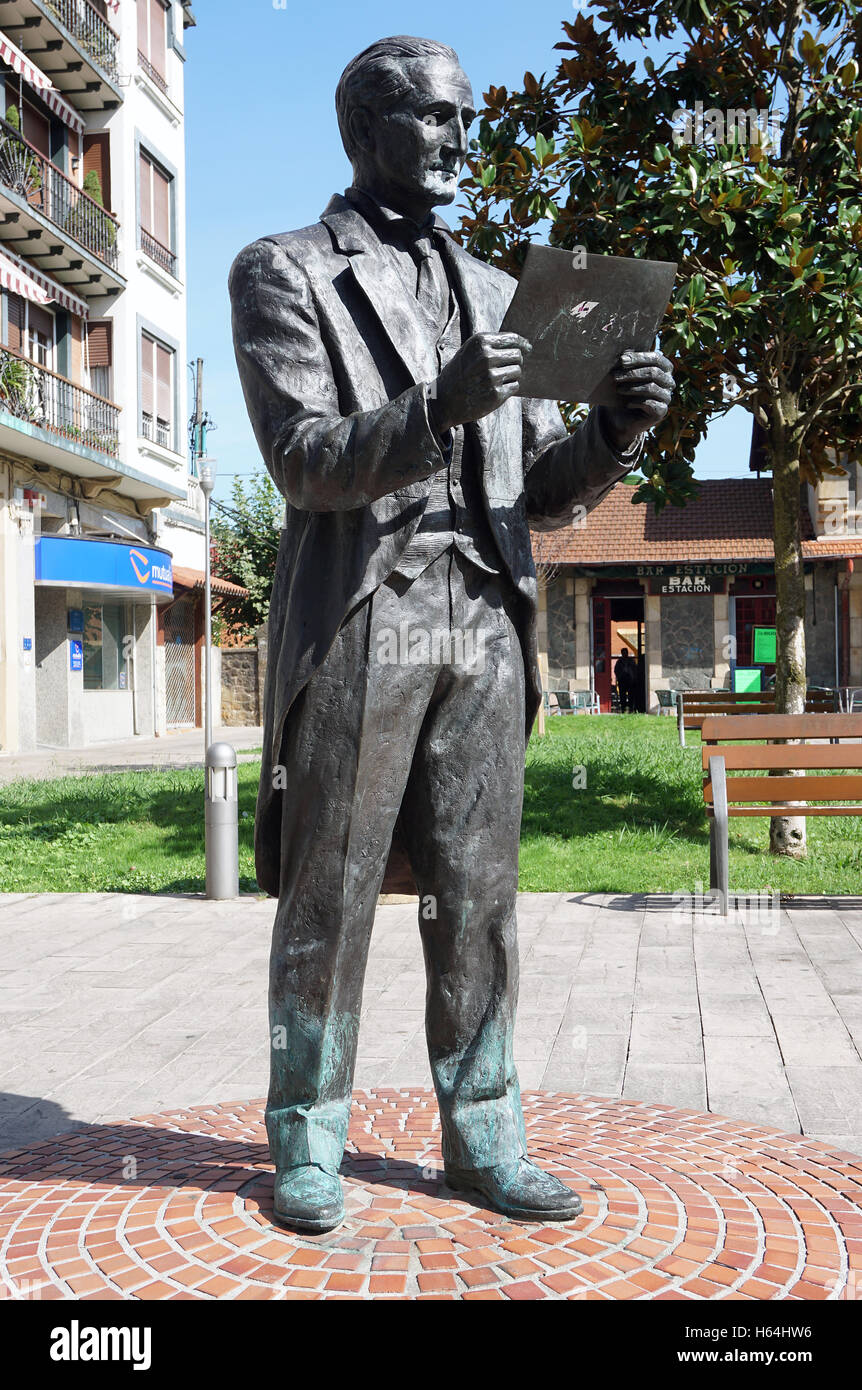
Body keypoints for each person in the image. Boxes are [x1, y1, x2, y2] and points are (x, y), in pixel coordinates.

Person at [229, 34, 674, 1233]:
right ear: (362, 129)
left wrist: (616, 435)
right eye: (431, 116)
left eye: (462, 116)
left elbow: (533, 488)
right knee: (327, 894)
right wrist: (441, 403)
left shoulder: (498, 290)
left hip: (486, 617)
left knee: (478, 895)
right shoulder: (283, 271)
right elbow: (302, 459)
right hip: (365, 613)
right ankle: (306, 1139)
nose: (458, 137)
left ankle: (483, 1134)